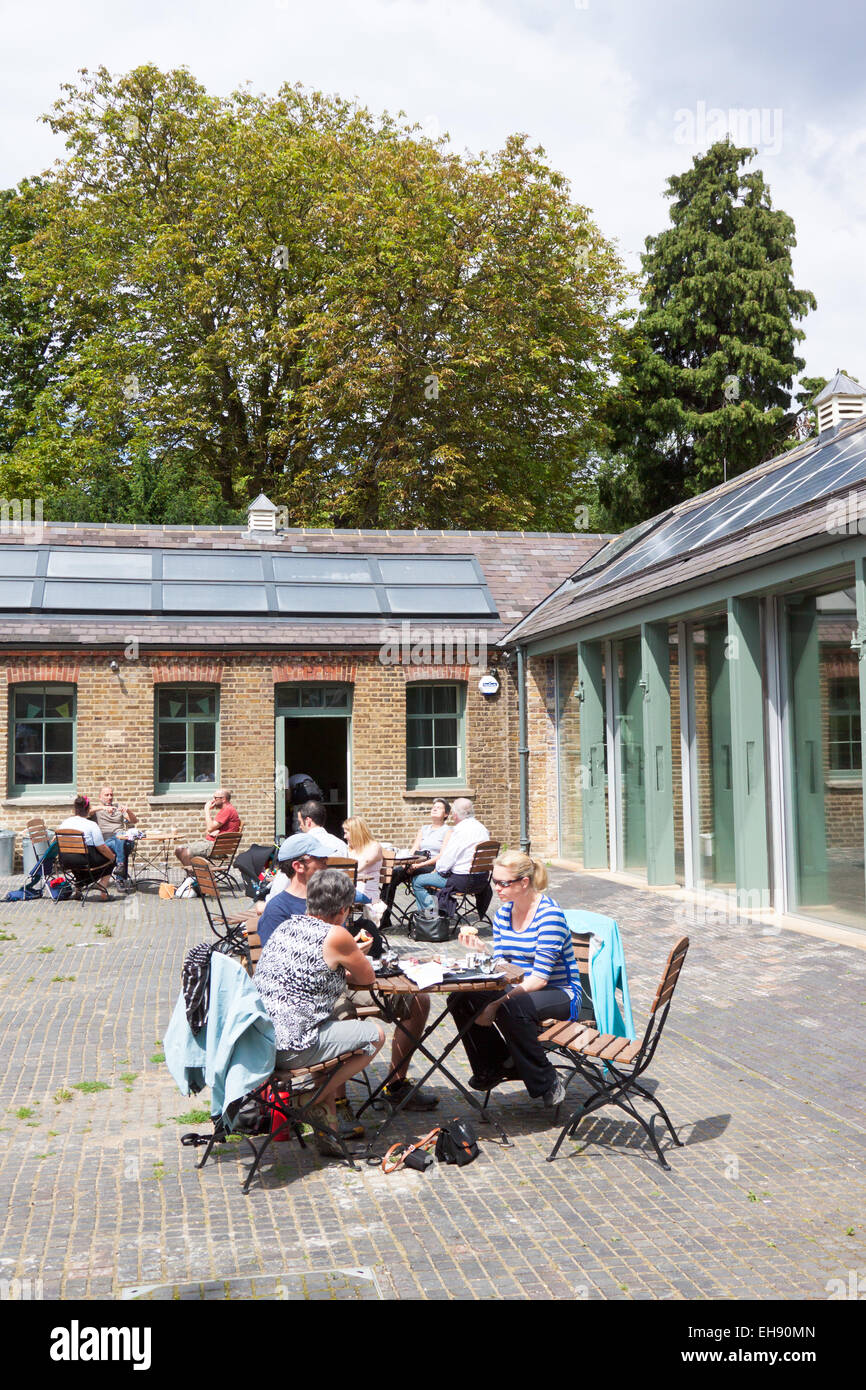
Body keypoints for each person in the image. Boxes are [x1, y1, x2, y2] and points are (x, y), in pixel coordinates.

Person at [253, 868, 386, 1157]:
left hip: (259, 1042)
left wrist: (347, 953)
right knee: (374, 1035)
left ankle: (327, 1130)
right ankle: (308, 1100)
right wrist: (356, 951)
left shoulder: (287, 926)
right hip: (291, 1048)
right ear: (343, 909)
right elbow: (366, 980)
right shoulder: (337, 934)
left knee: (333, 1031)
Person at [448, 851, 582, 1108]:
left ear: (524, 882)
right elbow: (503, 966)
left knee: (509, 1005)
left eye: (503, 883)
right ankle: (496, 1065)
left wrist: (495, 1003)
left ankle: (546, 1079)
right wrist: (481, 951)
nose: (496, 888)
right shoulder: (503, 914)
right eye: (494, 881)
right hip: (521, 988)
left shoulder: (549, 915)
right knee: (460, 998)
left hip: (561, 992)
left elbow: (540, 979)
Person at [412, 797, 490, 921]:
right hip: (482, 881)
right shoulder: (482, 829)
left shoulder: (459, 831)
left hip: (462, 881)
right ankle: (434, 913)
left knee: (418, 881)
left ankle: (434, 916)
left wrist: (437, 871)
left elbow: (446, 861)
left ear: (454, 814)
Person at [256, 834, 329, 943]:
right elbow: (274, 956)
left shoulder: (328, 900)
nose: (326, 861)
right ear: (298, 866)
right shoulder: (277, 910)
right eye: (320, 858)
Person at [58, 794, 117, 900]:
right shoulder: (91, 825)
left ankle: (78, 887)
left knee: (80, 865)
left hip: (65, 860)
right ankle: (102, 889)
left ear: (75, 809)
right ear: (88, 809)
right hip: (85, 860)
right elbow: (102, 848)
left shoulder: (64, 823)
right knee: (110, 858)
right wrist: (112, 857)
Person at [175, 789, 240, 869]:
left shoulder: (227, 810)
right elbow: (209, 830)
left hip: (216, 848)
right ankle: (197, 875)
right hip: (215, 845)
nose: (213, 800)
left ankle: (193, 877)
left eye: (216, 798)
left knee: (182, 850)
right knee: (179, 850)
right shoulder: (227, 810)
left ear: (223, 799)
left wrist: (206, 810)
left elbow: (209, 828)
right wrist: (216, 831)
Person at [92, 786, 137, 882]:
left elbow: (134, 821)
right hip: (106, 842)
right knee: (123, 843)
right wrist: (103, 808)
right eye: (106, 795)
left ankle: (120, 866)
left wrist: (128, 810)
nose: (109, 797)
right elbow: (86, 812)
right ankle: (120, 879)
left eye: (111, 795)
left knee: (122, 838)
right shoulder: (97, 810)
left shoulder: (117, 808)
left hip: (121, 838)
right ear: (100, 797)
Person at [342, 816, 383, 911]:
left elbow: (366, 861)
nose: (344, 837)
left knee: (335, 897)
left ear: (355, 832)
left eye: (346, 833)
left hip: (367, 894)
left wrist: (348, 874)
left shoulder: (374, 846)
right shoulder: (350, 849)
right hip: (350, 890)